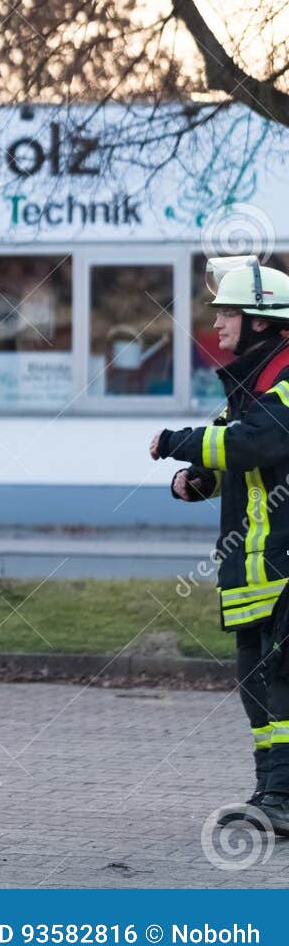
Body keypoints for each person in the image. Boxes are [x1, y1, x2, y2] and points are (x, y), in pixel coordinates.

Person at [153, 255, 289, 834]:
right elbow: (232, 449)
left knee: (283, 680)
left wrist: (177, 441)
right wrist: (197, 480)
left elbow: (257, 443)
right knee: (257, 685)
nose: (218, 326)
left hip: (283, 565)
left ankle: (282, 797)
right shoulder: (247, 387)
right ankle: (271, 793)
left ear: (262, 320)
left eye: (228, 313)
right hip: (253, 569)